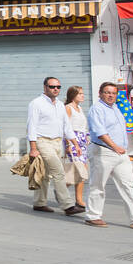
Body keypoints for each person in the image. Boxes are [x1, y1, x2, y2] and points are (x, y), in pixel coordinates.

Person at [84, 82, 133, 229]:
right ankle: (93, 216)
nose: (110, 95)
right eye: (107, 92)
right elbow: (100, 132)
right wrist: (115, 146)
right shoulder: (97, 109)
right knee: (98, 185)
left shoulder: (116, 108)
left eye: (113, 93)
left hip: (120, 153)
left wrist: (121, 148)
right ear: (100, 93)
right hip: (103, 151)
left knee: (128, 184)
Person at [26, 76, 83, 215]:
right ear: (45, 87)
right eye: (52, 87)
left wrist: (75, 143)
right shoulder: (36, 103)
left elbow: (66, 126)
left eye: (58, 87)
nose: (55, 89)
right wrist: (33, 148)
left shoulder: (59, 105)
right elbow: (31, 126)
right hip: (42, 142)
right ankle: (68, 206)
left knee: (45, 174)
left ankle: (39, 203)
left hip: (57, 142)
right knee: (59, 172)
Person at [62, 85, 90, 207]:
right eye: (80, 94)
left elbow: (82, 125)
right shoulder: (68, 108)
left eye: (83, 93)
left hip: (82, 140)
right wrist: (68, 144)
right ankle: (62, 189)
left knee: (81, 170)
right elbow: (66, 127)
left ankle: (76, 198)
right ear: (73, 95)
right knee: (79, 169)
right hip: (73, 140)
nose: (82, 96)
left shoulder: (79, 108)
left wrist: (86, 137)